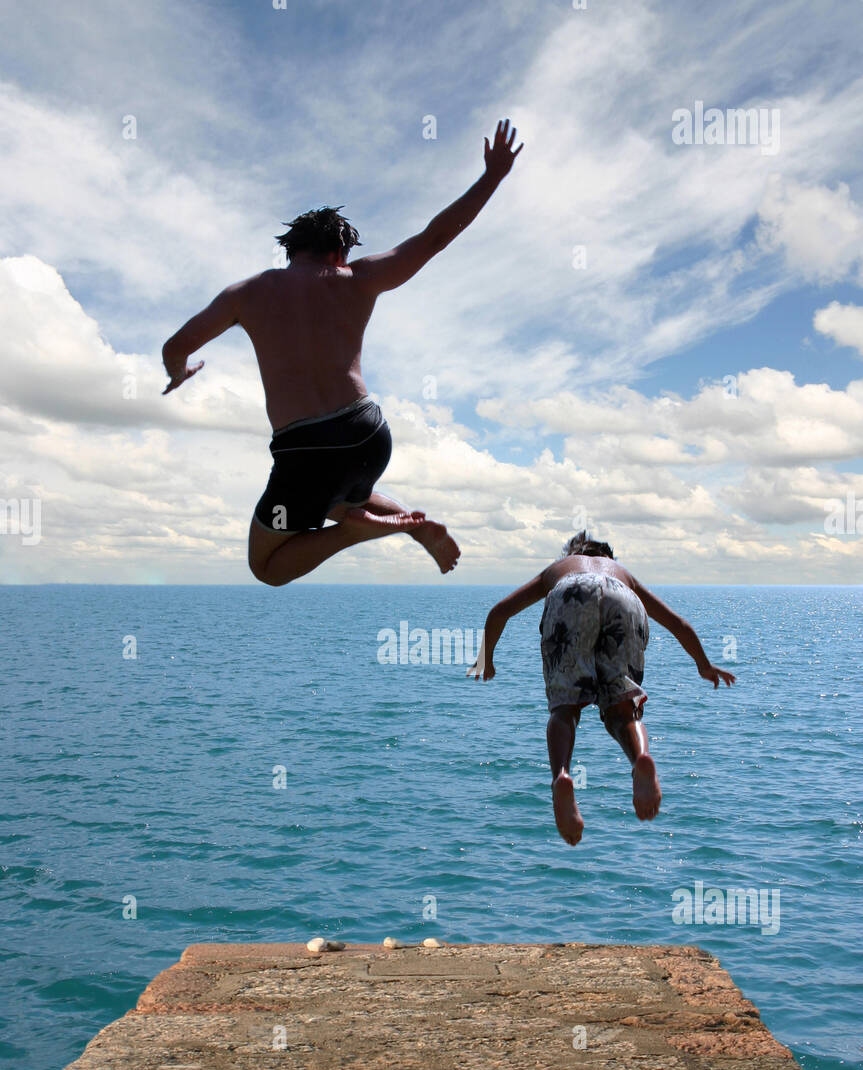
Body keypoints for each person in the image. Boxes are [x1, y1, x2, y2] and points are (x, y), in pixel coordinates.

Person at [161, 119, 524, 585]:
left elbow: (176, 346)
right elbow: (434, 238)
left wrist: (179, 372)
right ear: (341, 250)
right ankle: (407, 526)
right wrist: (493, 176)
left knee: (266, 566)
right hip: (367, 433)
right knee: (334, 491)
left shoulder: (246, 294)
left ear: (291, 250)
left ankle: (352, 533)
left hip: (305, 448)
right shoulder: (360, 279)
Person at [468, 531, 735, 846]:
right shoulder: (622, 575)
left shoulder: (561, 567)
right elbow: (678, 624)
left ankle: (562, 777)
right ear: (609, 557)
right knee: (623, 709)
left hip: (569, 595)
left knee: (565, 708)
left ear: (573, 551)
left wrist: (486, 658)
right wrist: (703, 664)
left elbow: (500, 611)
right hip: (624, 599)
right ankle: (641, 760)